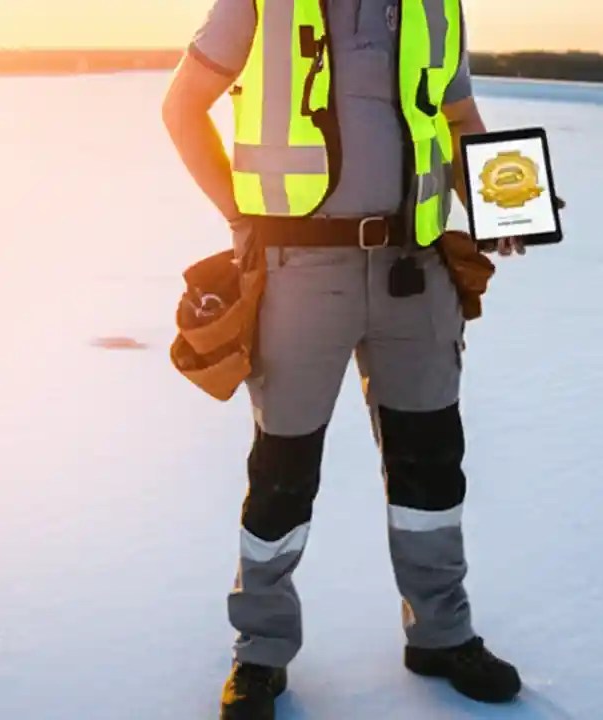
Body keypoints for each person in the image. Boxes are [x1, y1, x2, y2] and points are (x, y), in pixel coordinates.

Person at [162, 1, 525, 717]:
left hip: (415, 271)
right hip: (300, 271)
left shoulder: (435, 6)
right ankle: (261, 654)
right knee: (282, 473)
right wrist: (241, 219)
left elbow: (456, 118)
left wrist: (500, 205)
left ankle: (441, 634)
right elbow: (182, 109)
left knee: (430, 464)